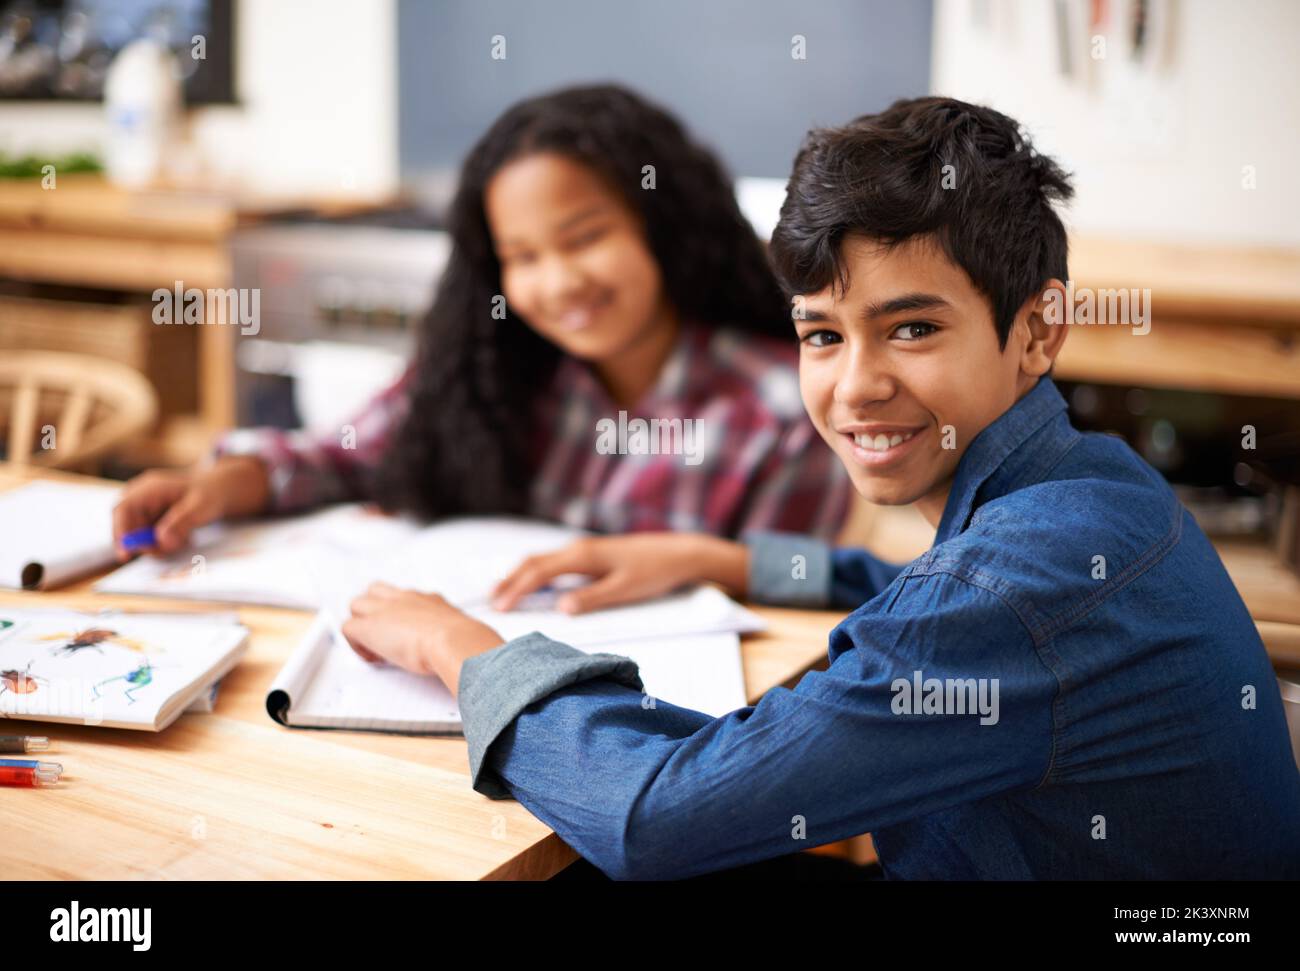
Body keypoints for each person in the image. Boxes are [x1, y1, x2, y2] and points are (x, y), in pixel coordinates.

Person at [338, 96, 1300, 879]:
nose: (855, 386)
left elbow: (654, 820)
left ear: (1038, 332)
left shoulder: (1005, 591)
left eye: (913, 329)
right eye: (823, 334)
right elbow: (938, 594)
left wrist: (463, 651)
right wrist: (723, 557)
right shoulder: (1094, 487)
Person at [111, 84, 850, 557]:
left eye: (586, 237)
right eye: (520, 256)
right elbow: (341, 455)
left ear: (664, 225)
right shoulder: (492, 367)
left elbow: (797, 597)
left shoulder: (785, 410)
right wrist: (223, 481)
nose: (557, 282)